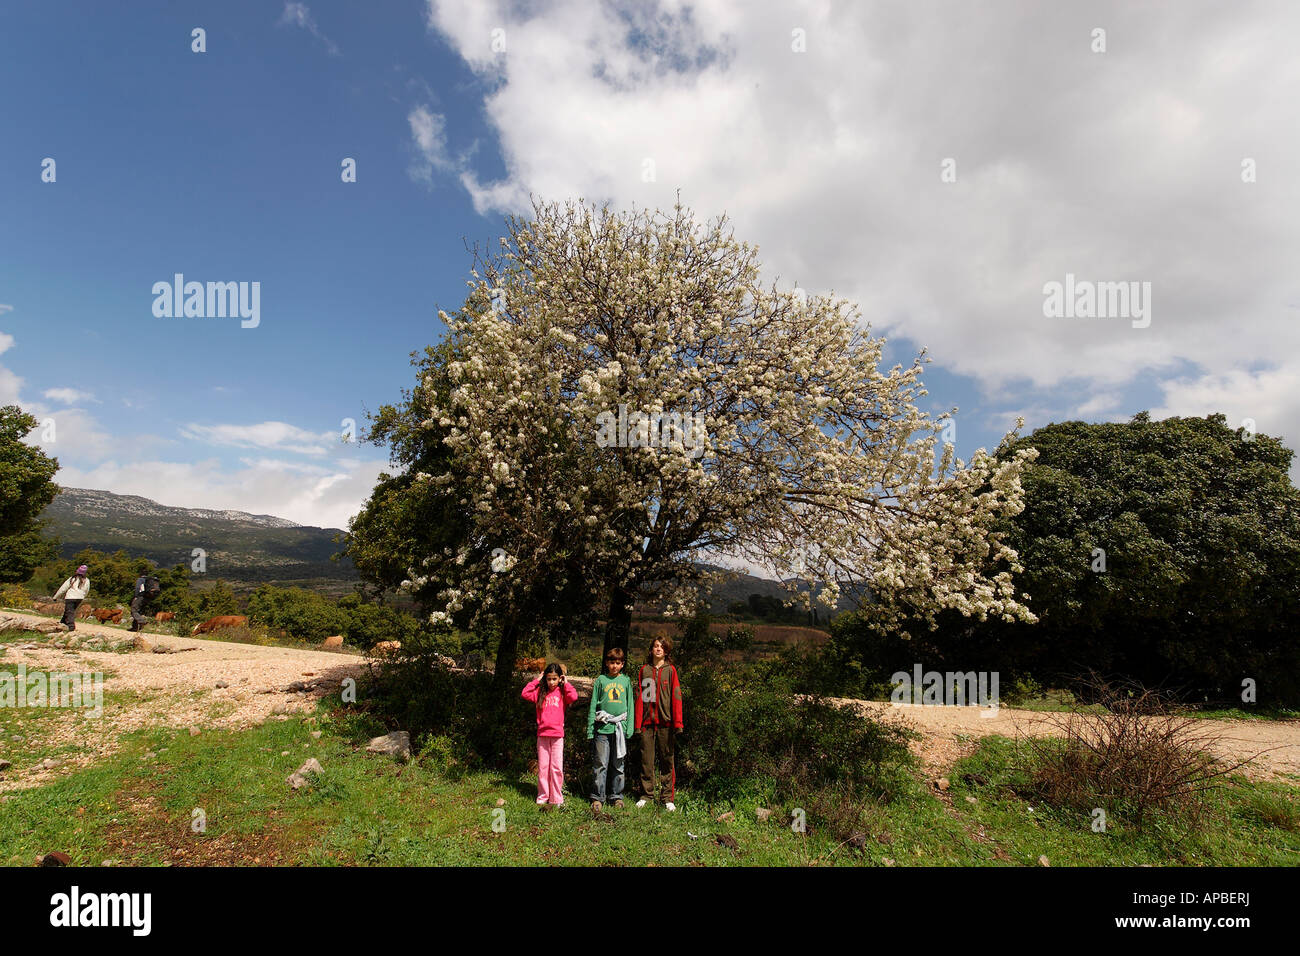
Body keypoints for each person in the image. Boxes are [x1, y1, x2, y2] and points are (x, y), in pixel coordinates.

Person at [634, 636, 684, 811]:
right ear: (651, 650)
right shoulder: (645, 671)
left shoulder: (671, 671)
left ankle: (667, 797)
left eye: (661, 647)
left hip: (666, 723)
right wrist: (637, 723)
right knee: (646, 761)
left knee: (666, 760)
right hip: (647, 723)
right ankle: (646, 795)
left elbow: (676, 697)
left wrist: (678, 723)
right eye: (655, 646)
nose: (658, 649)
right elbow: (641, 698)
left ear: (666, 651)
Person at [522, 663, 579, 807]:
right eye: (549, 679)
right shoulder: (540, 693)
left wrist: (566, 683)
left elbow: (574, 696)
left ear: (560, 678)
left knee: (556, 768)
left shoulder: (562, 693)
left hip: (557, 736)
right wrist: (537, 680)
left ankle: (556, 798)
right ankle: (543, 796)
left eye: (555, 679)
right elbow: (525, 693)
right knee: (543, 767)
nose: (551, 682)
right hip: (542, 735)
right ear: (545, 679)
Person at [587, 646, 633, 815]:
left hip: (619, 728)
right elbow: (593, 705)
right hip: (603, 728)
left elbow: (630, 705)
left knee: (618, 763)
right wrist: (590, 728)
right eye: (612, 662)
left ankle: (616, 795)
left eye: (618, 663)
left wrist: (629, 727)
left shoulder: (625, 681)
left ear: (622, 664)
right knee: (600, 763)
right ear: (607, 663)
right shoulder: (601, 680)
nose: (614, 666)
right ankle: (598, 797)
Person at [52, 565, 91, 631]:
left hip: (70, 597)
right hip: (80, 598)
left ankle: (71, 626)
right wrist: (83, 596)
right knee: (69, 611)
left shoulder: (72, 579)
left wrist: (55, 597)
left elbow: (63, 588)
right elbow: (87, 590)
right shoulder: (87, 580)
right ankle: (62, 623)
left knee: (69, 611)